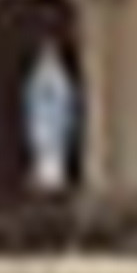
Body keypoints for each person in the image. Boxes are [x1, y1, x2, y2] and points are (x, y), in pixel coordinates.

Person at [21, 31, 81, 196]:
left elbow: (65, 101)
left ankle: (52, 178)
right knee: (44, 146)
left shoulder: (59, 74)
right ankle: (47, 176)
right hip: (43, 124)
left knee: (52, 148)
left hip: (54, 124)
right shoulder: (38, 73)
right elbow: (33, 102)